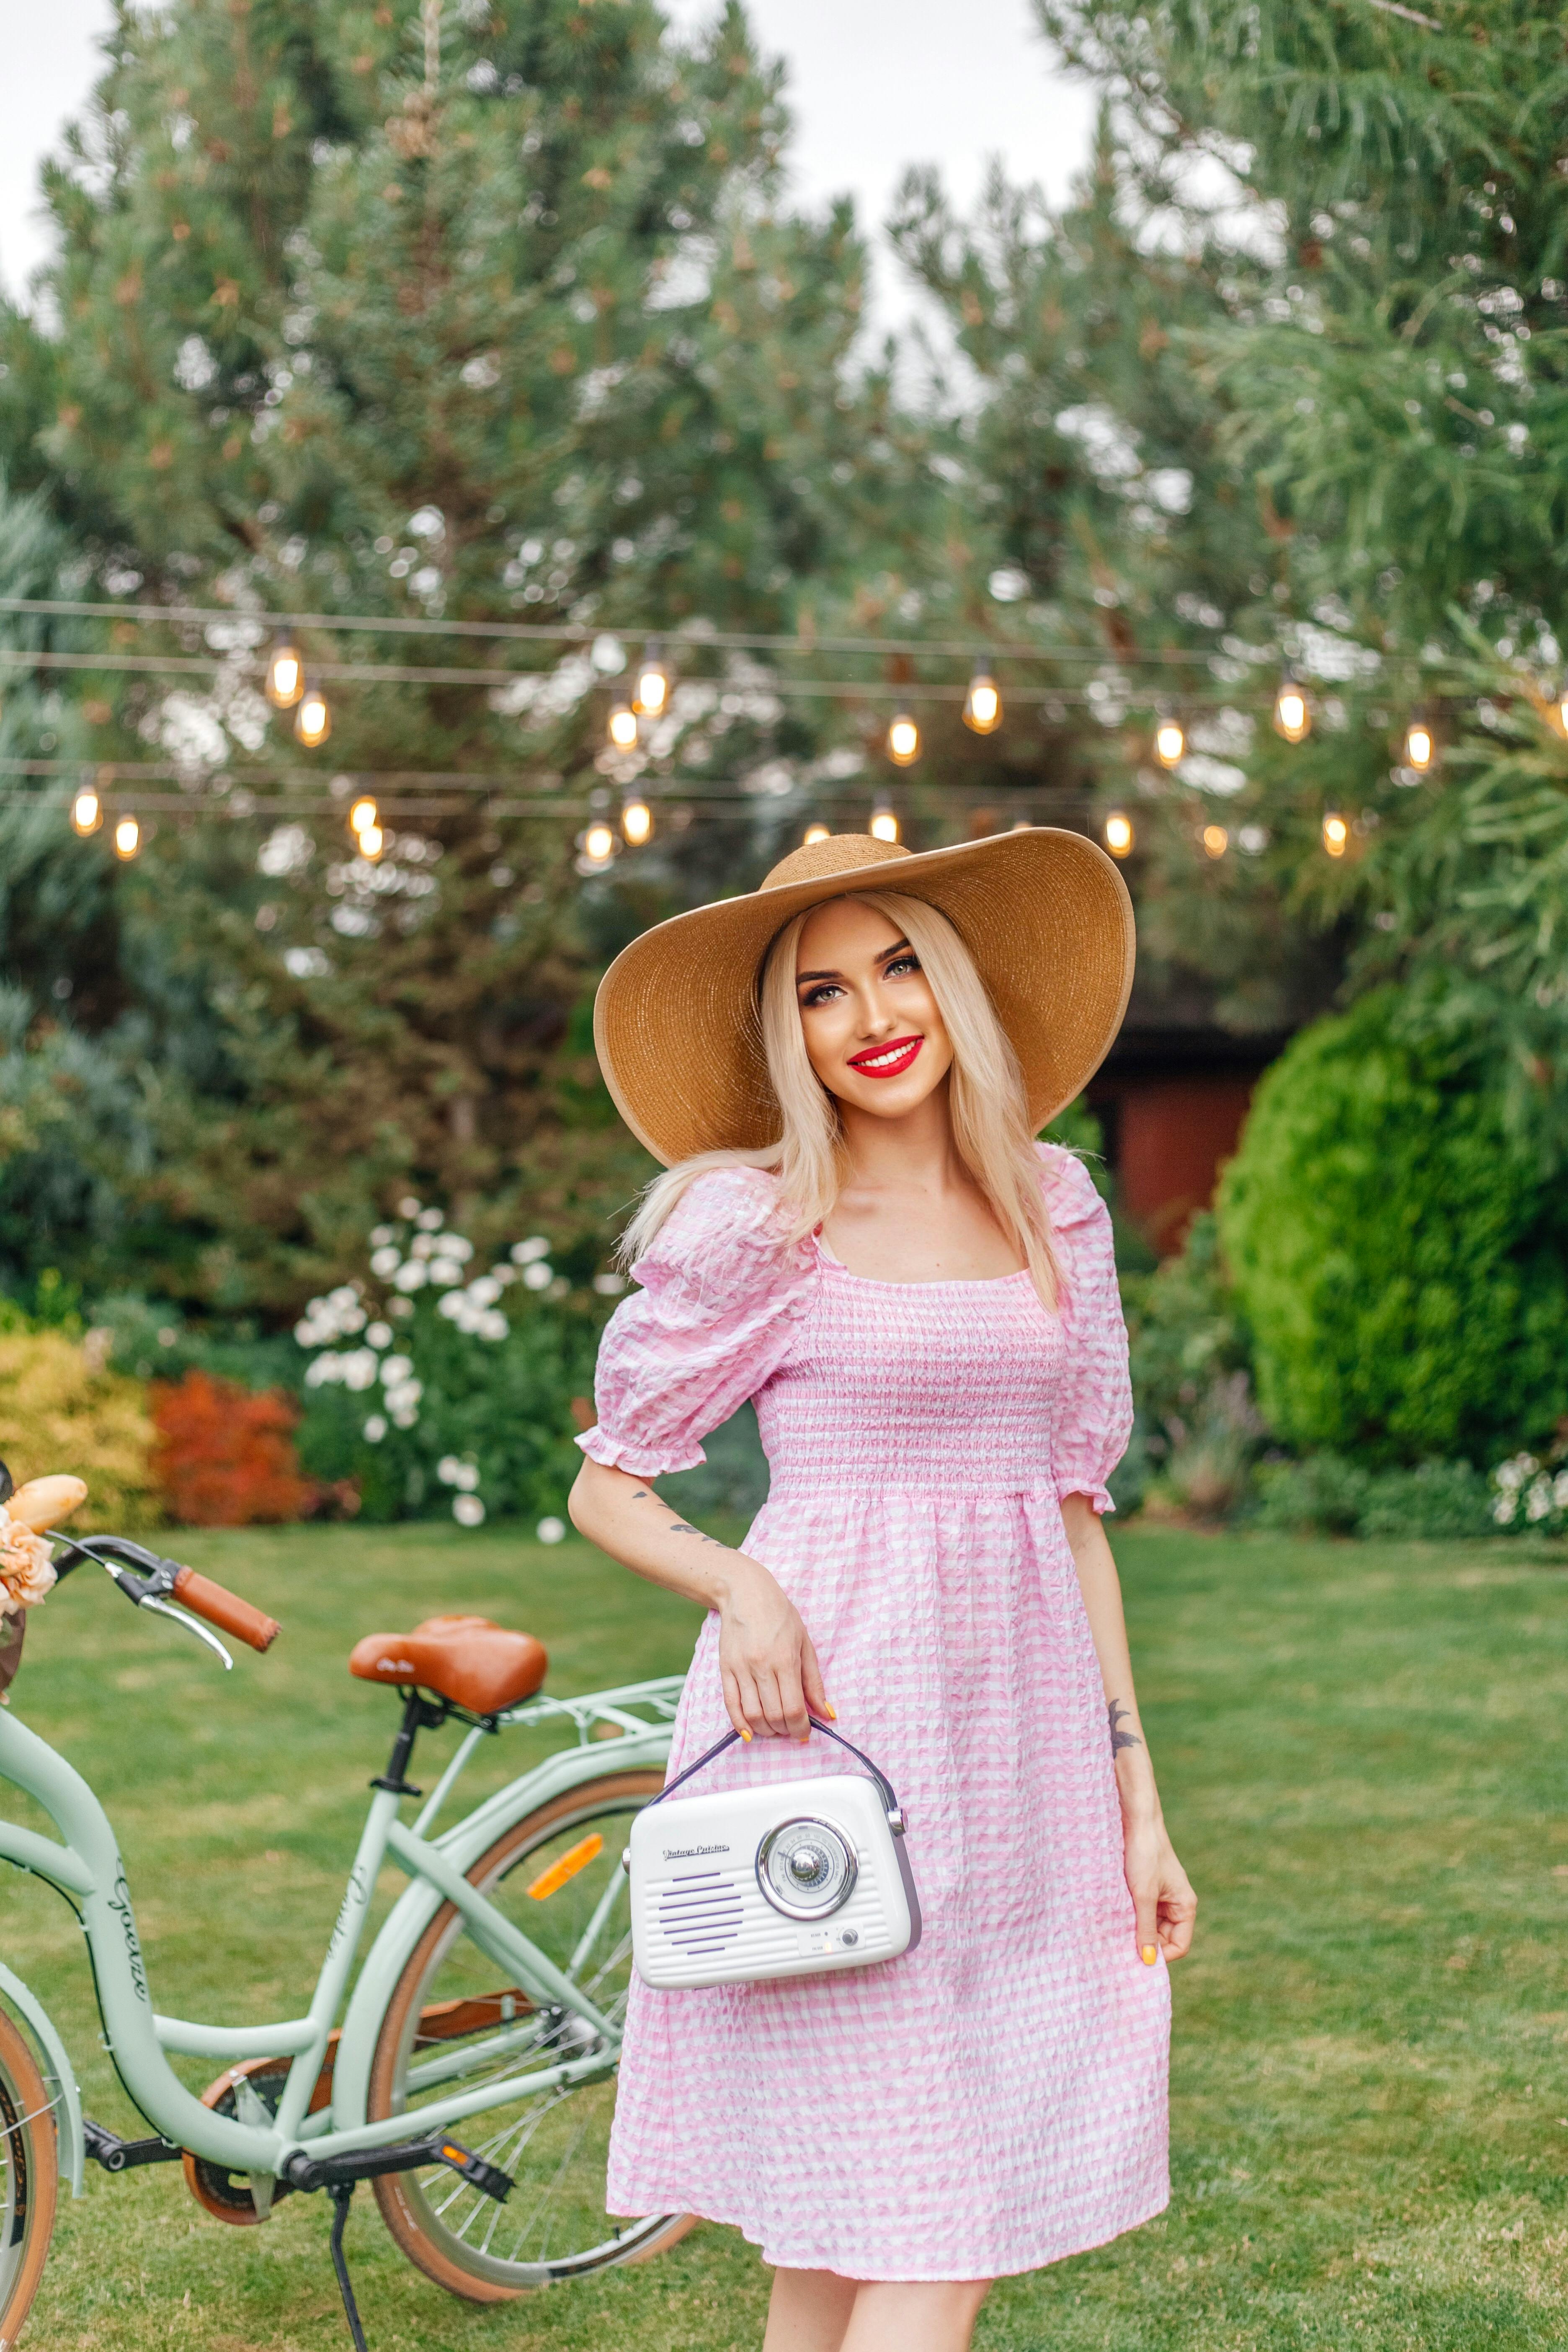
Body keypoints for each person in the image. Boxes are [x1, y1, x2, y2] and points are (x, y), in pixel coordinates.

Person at [570, 828, 1197, 2352]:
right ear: (787, 1035)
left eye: (900, 965)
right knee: (915, 2196)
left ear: (959, 983)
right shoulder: (764, 1222)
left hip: (1027, 1738)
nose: (872, 1016)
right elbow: (610, 1482)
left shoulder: (1054, 1207)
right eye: (822, 991)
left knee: (887, 2220)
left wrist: (1138, 1798)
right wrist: (741, 1590)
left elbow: (1077, 1517)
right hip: (837, 1721)